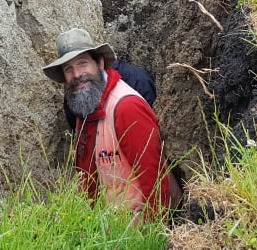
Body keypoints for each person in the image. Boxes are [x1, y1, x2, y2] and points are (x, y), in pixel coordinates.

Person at [43, 28, 182, 220]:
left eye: (83, 63)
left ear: (100, 63)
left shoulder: (126, 107)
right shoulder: (84, 107)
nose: (77, 74)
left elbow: (155, 181)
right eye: (68, 69)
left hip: (141, 232)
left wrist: (155, 239)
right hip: (109, 232)